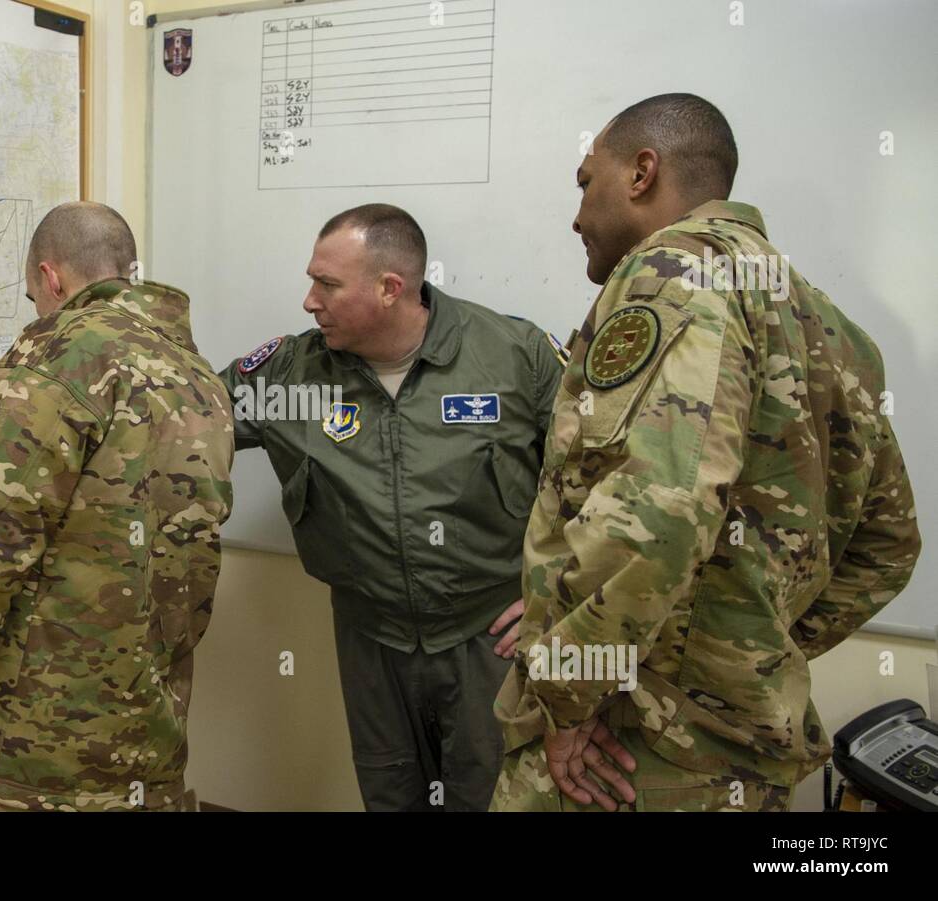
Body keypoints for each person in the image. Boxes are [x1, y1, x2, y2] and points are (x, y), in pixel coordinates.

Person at [490, 94, 922, 812]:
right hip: (735, 747)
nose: (575, 213)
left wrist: (566, 696)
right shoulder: (830, 323)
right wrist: (752, 649)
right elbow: (891, 542)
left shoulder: (668, 275)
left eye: (584, 181)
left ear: (641, 172)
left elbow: (656, 518)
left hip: (631, 745)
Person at [0, 202, 234, 811]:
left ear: (51, 278)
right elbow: (110, 489)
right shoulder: (195, 374)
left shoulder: (46, 369)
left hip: (25, 762)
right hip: (145, 746)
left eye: (33, 297)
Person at [222, 204, 566, 811]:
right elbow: (172, 411)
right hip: (371, 638)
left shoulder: (515, 354)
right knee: (391, 796)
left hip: (488, 639)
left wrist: (557, 591)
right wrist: (20, 387)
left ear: (390, 288)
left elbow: (602, 480)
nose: (309, 301)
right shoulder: (292, 376)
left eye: (327, 284)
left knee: (490, 795)